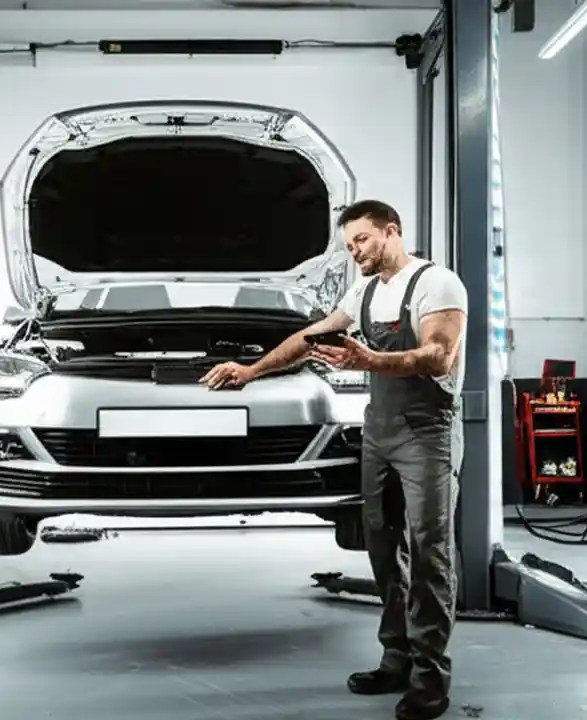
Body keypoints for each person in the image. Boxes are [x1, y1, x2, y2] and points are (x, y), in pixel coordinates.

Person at [199, 199, 467, 720]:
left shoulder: (437, 284)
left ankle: (431, 680)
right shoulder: (364, 291)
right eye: (348, 246)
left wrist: (370, 360)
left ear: (391, 232)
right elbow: (308, 339)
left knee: (430, 552)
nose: (356, 252)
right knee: (385, 549)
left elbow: (440, 355)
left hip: (427, 432)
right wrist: (251, 371)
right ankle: (397, 658)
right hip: (380, 432)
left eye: (362, 241)